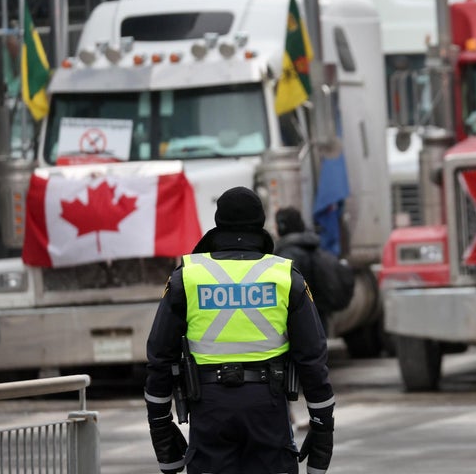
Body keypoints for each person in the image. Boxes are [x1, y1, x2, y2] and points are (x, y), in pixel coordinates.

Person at [144, 186, 335, 474]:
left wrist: (160, 425)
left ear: (218, 223)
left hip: (208, 409)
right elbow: (312, 357)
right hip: (268, 408)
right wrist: (323, 426)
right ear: (260, 224)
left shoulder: (187, 277)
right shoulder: (285, 276)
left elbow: (160, 356)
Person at [274, 206, 355, 335]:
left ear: (282, 227)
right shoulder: (313, 247)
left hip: (301, 318)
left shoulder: (288, 254)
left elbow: (288, 291)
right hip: (318, 314)